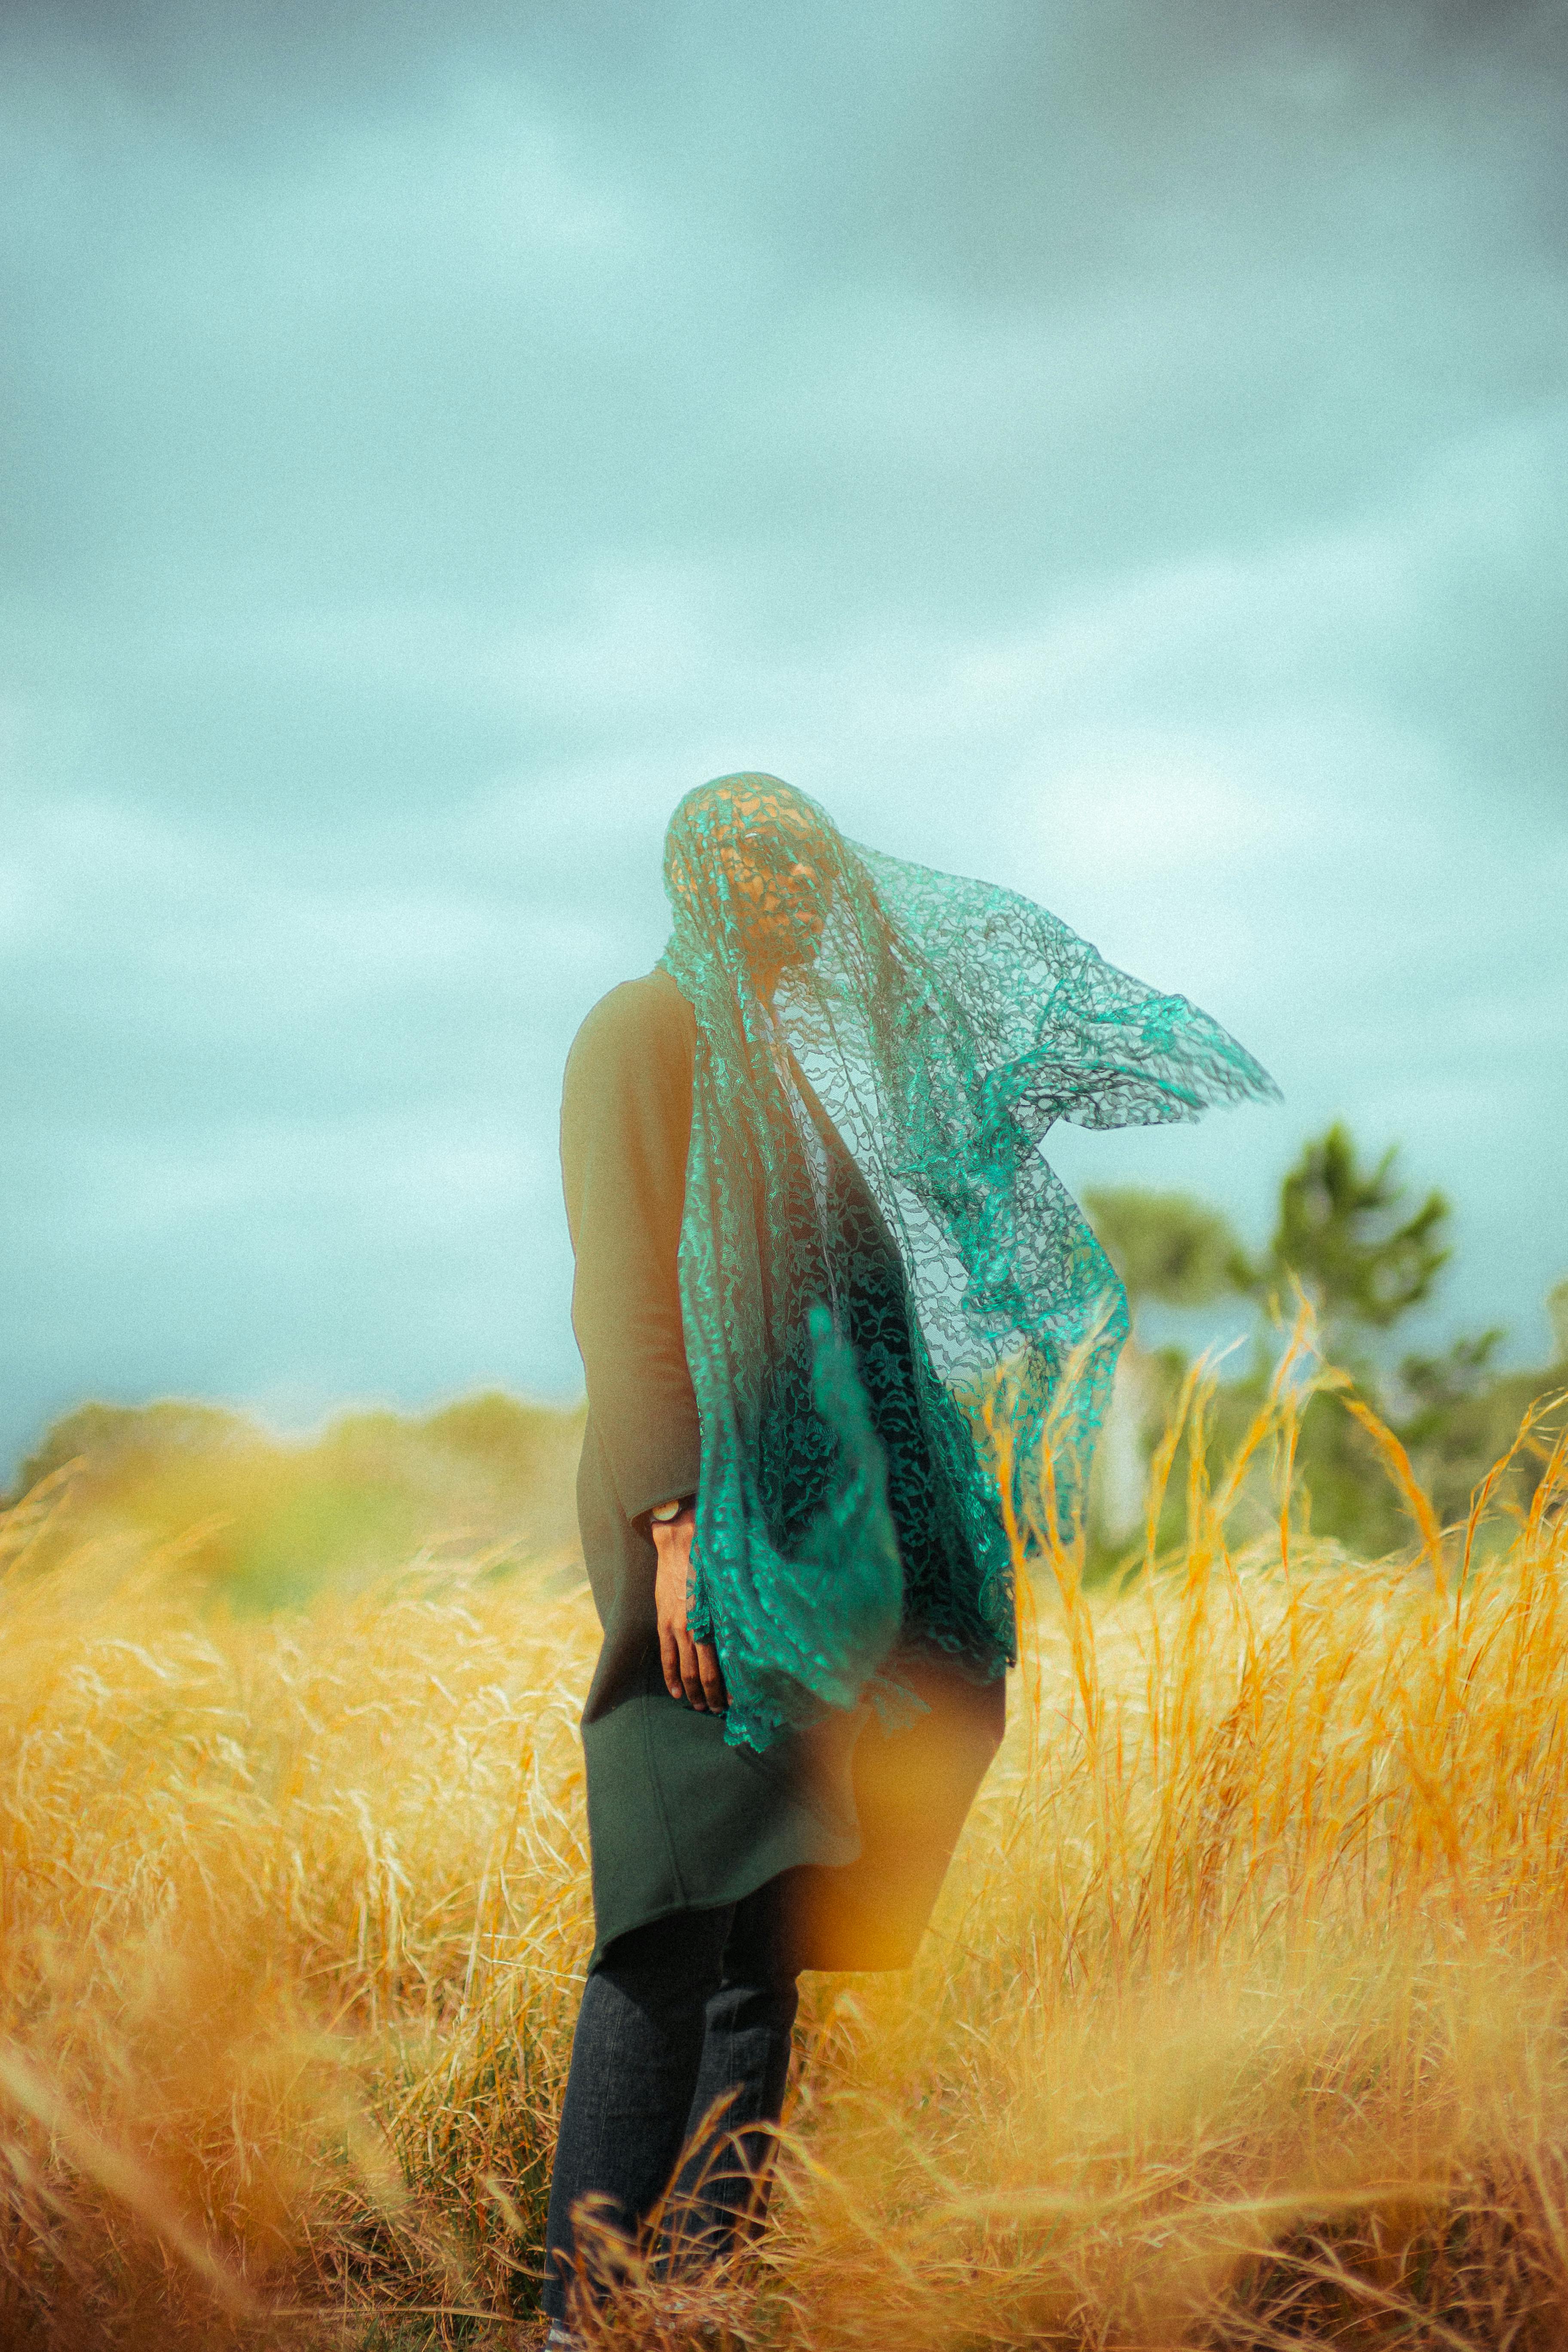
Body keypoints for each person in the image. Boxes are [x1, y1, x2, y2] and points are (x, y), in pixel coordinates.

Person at [540, 775, 1277, 2339]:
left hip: (813, 1537)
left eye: (812, 865)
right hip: (706, 1526)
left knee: (767, 1930)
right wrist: (674, 1529)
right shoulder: (641, 1031)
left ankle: (702, 2296)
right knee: (671, 1915)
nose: (799, 892)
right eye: (762, 866)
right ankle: (577, 2316)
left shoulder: (776, 1072)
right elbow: (623, 1295)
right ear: (698, 880)